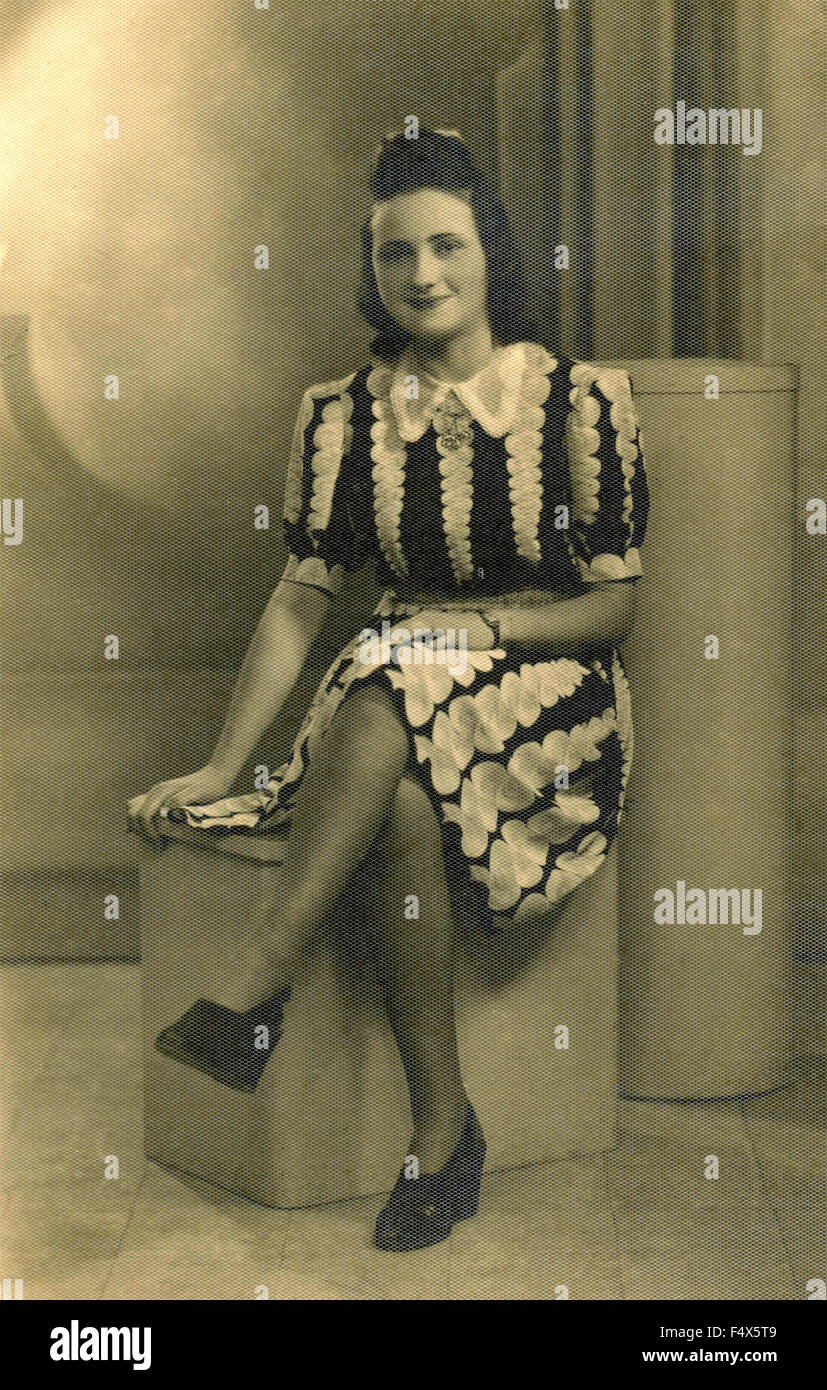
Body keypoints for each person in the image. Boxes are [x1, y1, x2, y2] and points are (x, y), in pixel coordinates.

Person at [127, 126, 650, 1252]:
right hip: (397, 697)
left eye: (446, 246)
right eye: (395, 254)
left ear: (487, 252)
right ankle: (441, 1133)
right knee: (399, 778)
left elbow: (613, 605)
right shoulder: (340, 417)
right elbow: (298, 601)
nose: (421, 275)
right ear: (372, 268)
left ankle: (257, 986)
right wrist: (224, 764)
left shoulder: (576, 404)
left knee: (387, 669)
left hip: (547, 699)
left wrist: (476, 628)